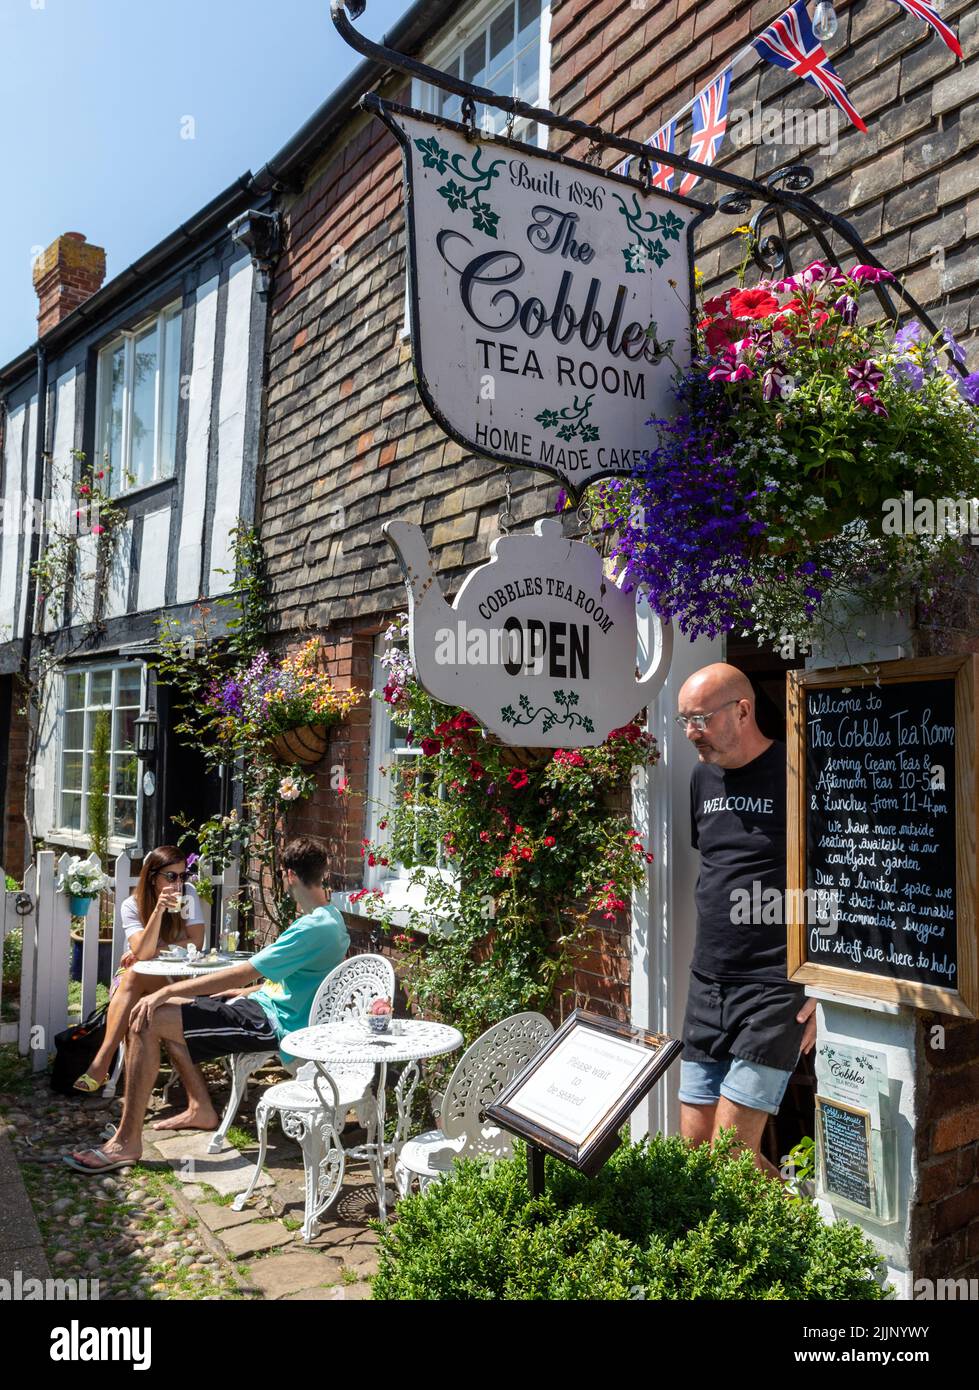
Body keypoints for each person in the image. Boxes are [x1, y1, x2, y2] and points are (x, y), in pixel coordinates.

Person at [66, 836, 350, 1173]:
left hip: (271, 1024)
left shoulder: (310, 928)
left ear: (288, 875)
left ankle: (126, 1143)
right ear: (321, 874)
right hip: (260, 1006)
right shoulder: (330, 919)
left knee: (147, 1016)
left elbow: (239, 972)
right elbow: (299, 980)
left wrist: (167, 992)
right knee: (157, 1011)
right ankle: (199, 1108)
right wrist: (250, 991)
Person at [676, 662, 816, 1181]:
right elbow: (717, 866)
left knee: (731, 1159)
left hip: (771, 987)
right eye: (684, 720)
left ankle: (813, 1254)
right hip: (707, 981)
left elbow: (834, 873)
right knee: (693, 1153)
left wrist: (822, 981)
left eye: (701, 719)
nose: (692, 732)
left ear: (742, 709)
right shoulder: (700, 776)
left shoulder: (796, 771)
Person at [72, 845, 207, 1103]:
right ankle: (108, 1061)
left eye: (183, 876)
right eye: (171, 876)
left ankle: (102, 1060)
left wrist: (154, 950)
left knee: (136, 971)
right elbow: (143, 954)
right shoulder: (131, 905)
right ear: (153, 876)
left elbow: (196, 942)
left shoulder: (187, 896)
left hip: (172, 978)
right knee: (134, 974)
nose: (179, 883)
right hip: (131, 982)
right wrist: (158, 911)